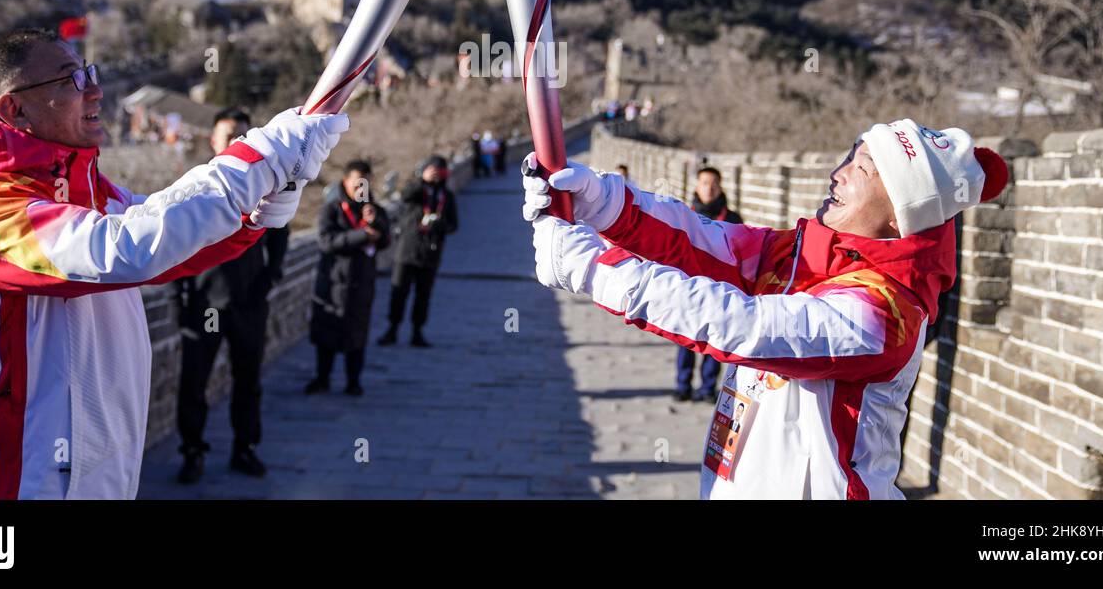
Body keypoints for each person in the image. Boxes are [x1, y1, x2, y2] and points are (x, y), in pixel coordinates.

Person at [0, 28, 348, 499]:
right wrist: (261, 158)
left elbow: (173, 243)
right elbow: (126, 248)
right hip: (10, 482)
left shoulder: (90, 190)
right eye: (71, 80)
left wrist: (253, 215)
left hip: (99, 476)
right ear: (15, 108)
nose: (95, 90)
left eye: (88, 73)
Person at [523, 118, 1008, 499]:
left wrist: (591, 268)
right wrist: (604, 202)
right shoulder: (804, 253)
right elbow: (709, 243)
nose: (836, 175)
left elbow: (740, 326)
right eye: (848, 158)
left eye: (859, 170)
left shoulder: (884, 313)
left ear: (898, 216)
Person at [175, 108, 291, 484]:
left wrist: (267, 279)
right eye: (229, 136)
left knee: (248, 380)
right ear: (213, 140)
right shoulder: (195, 184)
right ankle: (192, 451)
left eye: (243, 135)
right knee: (194, 382)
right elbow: (174, 245)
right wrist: (181, 301)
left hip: (248, 301)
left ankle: (245, 448)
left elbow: (280, 234)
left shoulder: (263, 185)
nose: (236, 142)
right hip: (205, 303)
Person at [308, 160, 389, 396]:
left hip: (361, 283)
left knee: (358, 333)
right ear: (346, 181)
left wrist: (376, 223)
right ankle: (322, 378)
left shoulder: (376, 209)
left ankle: (353, 381)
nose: (361, 186)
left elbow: (385, 241)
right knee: (326, 333)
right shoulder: (331, 209)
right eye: (357, 181)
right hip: (332, 283)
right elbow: (326, 242)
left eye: (365, 181)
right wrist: (362, 235)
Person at [674, 166, 742, 402]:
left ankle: (707, 388)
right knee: (686, 340)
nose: (709, 188)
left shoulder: (732, 219)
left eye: (713, 184)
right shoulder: (684, 216)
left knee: (715, 341)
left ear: (720, 187)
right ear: (696, 186)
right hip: (689, 288)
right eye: (704, 183)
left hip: (720, 289)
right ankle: (683, 385)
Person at [378, 155, 458, 348]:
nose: (436, 174)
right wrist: (423, 181)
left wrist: (439, 224)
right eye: (432, 170)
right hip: (407, 250)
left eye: (439, 171)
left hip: (431, 253)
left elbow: (453, 225)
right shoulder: (417, 190)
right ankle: (392, 329)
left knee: (423, 296)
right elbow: (405, 195)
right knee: (399, 293)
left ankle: (417, 331)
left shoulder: (446, 196)